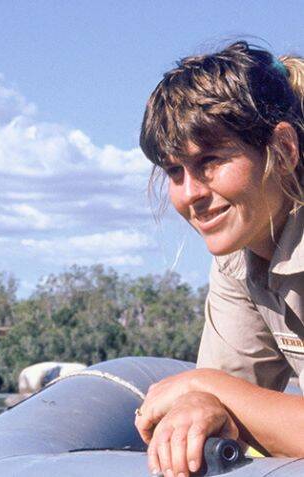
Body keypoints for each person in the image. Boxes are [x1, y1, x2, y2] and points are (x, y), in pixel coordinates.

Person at [135, 41, 304, 477]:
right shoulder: (241, 257)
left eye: (209, 161)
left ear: (283, 149)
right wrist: (201, 402)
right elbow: (230, 391)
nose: (190, 194)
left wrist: (203, 384)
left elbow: (220, 386)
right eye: (175, 172)